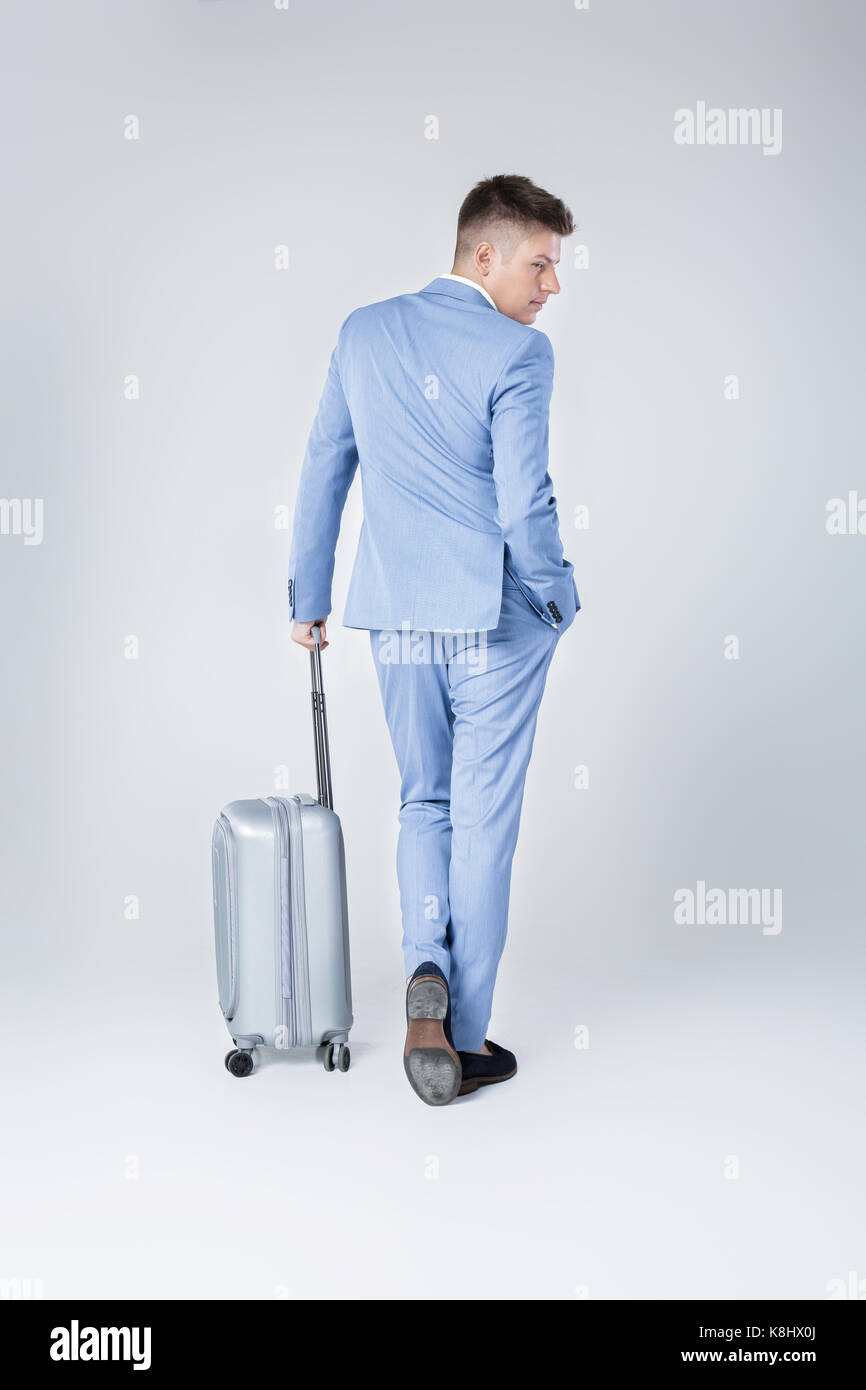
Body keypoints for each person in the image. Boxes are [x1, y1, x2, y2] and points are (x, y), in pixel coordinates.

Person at [288, 174, 580, 1105]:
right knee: (482, 824)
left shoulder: (363, 332)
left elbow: (324, 464)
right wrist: (558, 597)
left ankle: (425, 962)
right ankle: (465, 1036)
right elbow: (524, 504)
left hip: (395, 618)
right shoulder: (519, 352)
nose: (552, 286)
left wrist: (308, 596)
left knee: (426, 801)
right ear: (484, 255)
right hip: (493, 621)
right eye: (540, 265)